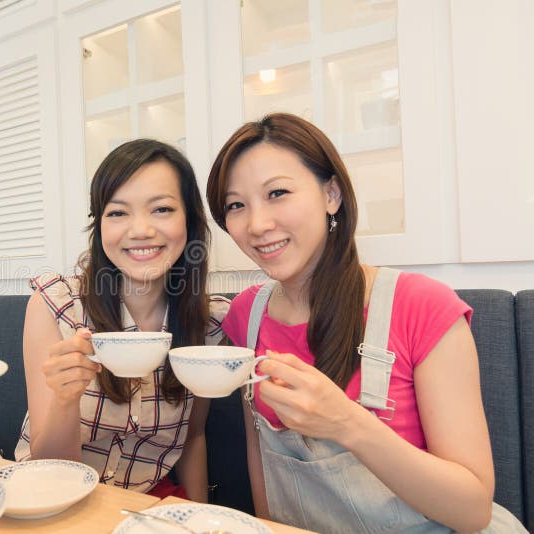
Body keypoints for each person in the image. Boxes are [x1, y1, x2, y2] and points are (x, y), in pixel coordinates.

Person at [205, 113, 526, 532]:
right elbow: (260, 461)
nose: (257, 224)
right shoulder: (246, 315)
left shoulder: (421, 306)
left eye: (278, 193)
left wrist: (347, 423)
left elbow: (471, 511)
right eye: (236, 205)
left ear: (331, 194)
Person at [15, 139, 229, 501]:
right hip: (51, 495)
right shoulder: (57, 306)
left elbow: (193, 437)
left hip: (147, 502)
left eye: (161, 209)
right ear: (99, 227)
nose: (141, 230)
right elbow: (48, 466)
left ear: (190, 221)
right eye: (118, 213)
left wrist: (200, 518)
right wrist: (65, 399)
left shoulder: (208, 325)